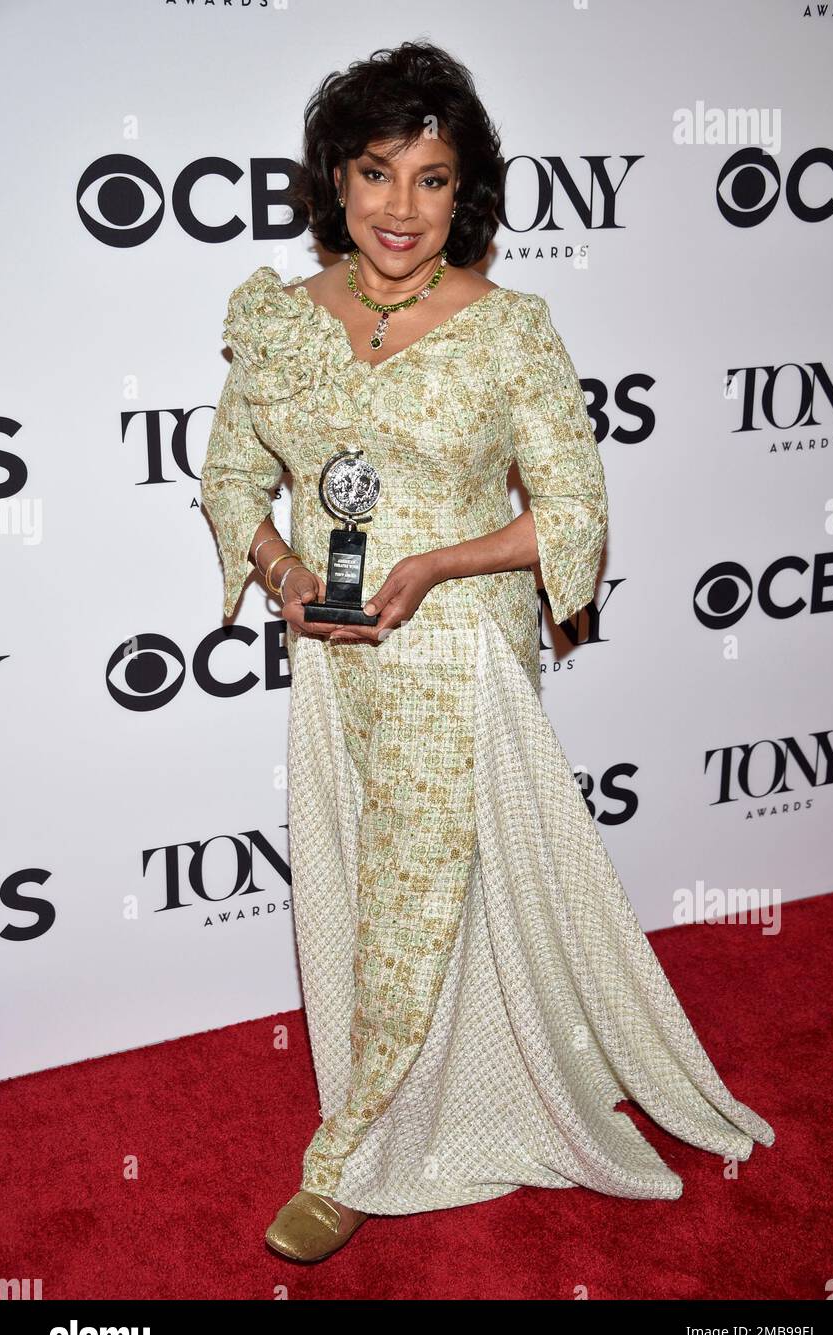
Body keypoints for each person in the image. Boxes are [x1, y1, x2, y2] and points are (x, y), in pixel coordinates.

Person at [200, 40, 774, 1264]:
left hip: (449, 650)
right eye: (375, 174)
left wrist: (432, 566)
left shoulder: (509, 329)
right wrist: (283, 571)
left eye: (433, 179)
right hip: (332, 656)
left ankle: (348, 1156)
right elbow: (231, 478)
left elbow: (571, 514)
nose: (400, 208)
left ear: (468, 195)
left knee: (410, 889)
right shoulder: (277, 319)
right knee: (370, 884)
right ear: (334, 182)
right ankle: (451, 1071)